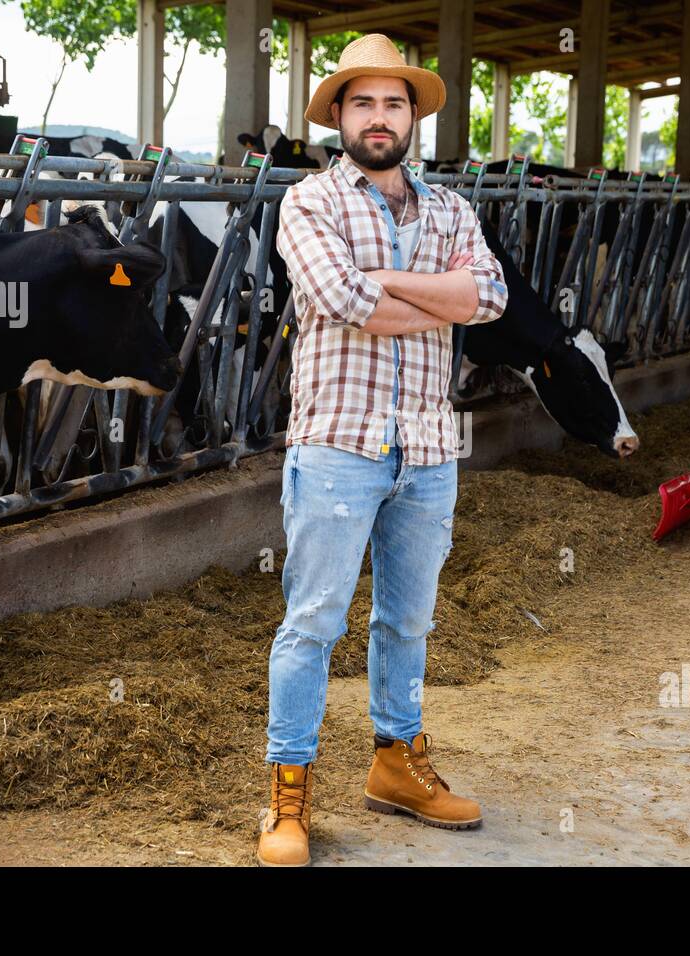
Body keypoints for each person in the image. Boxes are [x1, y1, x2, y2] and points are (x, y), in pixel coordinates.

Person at [257, 34, 509, 867]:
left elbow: (494, 297)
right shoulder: (309, 202)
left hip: (430, 447)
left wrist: (391, 290)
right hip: (337, 442)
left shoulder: (450, 210)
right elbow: (337, 297)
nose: (378, 117)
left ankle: (396, 764)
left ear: (413, 116)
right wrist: (444, 300)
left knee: (409, 619)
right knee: (313, 621)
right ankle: (287, 797)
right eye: (361, 102)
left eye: (392, 103)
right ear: (338, 116)